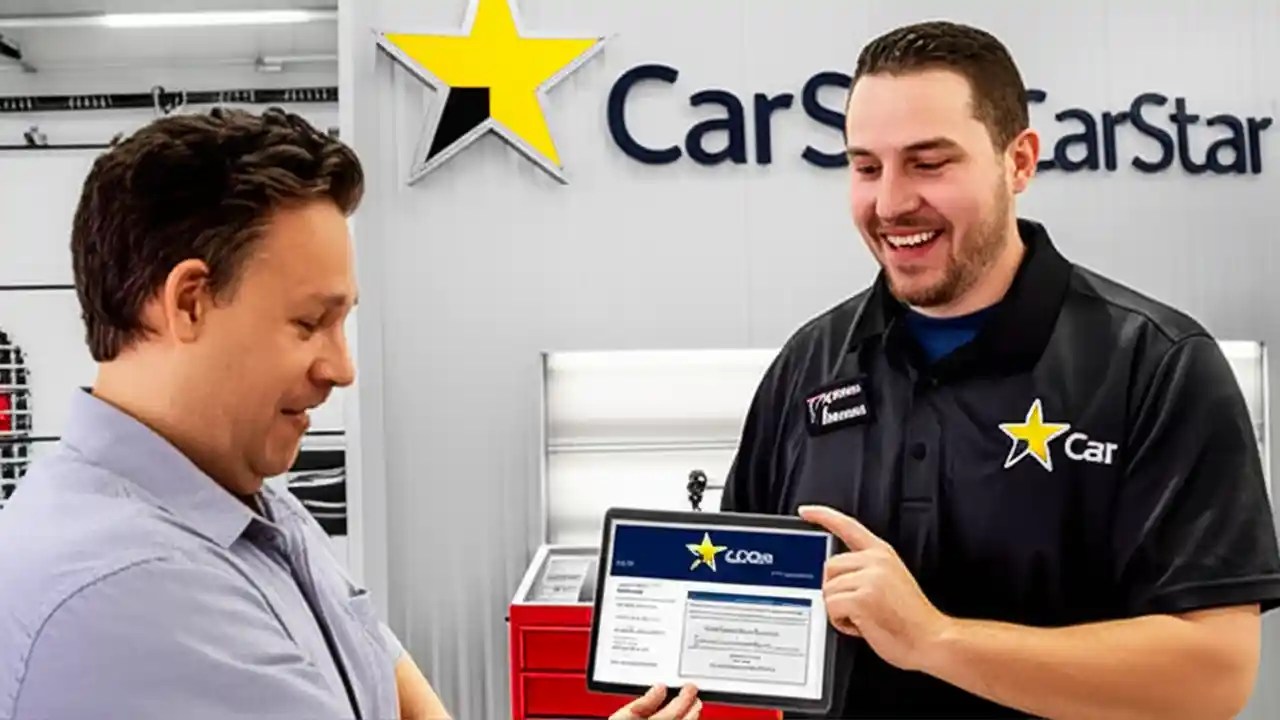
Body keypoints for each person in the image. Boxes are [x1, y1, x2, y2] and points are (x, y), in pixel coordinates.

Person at [0, 108, 701, 720]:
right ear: (188, 302)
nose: (341, 367)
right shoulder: (135, 593)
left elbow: (383, 670)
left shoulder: (239, 498)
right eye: (310, 323)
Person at [721, 19, 1280, 719]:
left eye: (929, 163)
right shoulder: (809, 366)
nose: (890, 203)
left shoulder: (1156, 365)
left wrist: (937, 640)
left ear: (1018, 162)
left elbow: (1212, 678)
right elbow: (742, 628)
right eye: (867, 166)